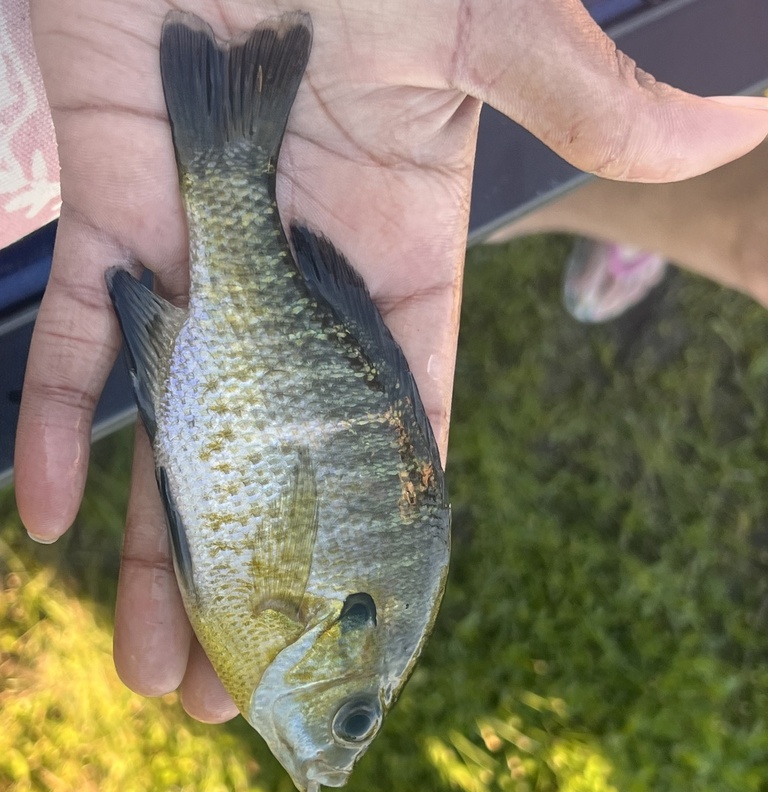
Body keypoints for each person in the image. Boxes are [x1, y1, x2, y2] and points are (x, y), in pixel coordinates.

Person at [13, 0, 768, 723]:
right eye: (351, 719)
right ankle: (232, 165)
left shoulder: (271, 632)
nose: (333, 757)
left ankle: (234, 163)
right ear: (344, 650)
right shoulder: (274, 625)